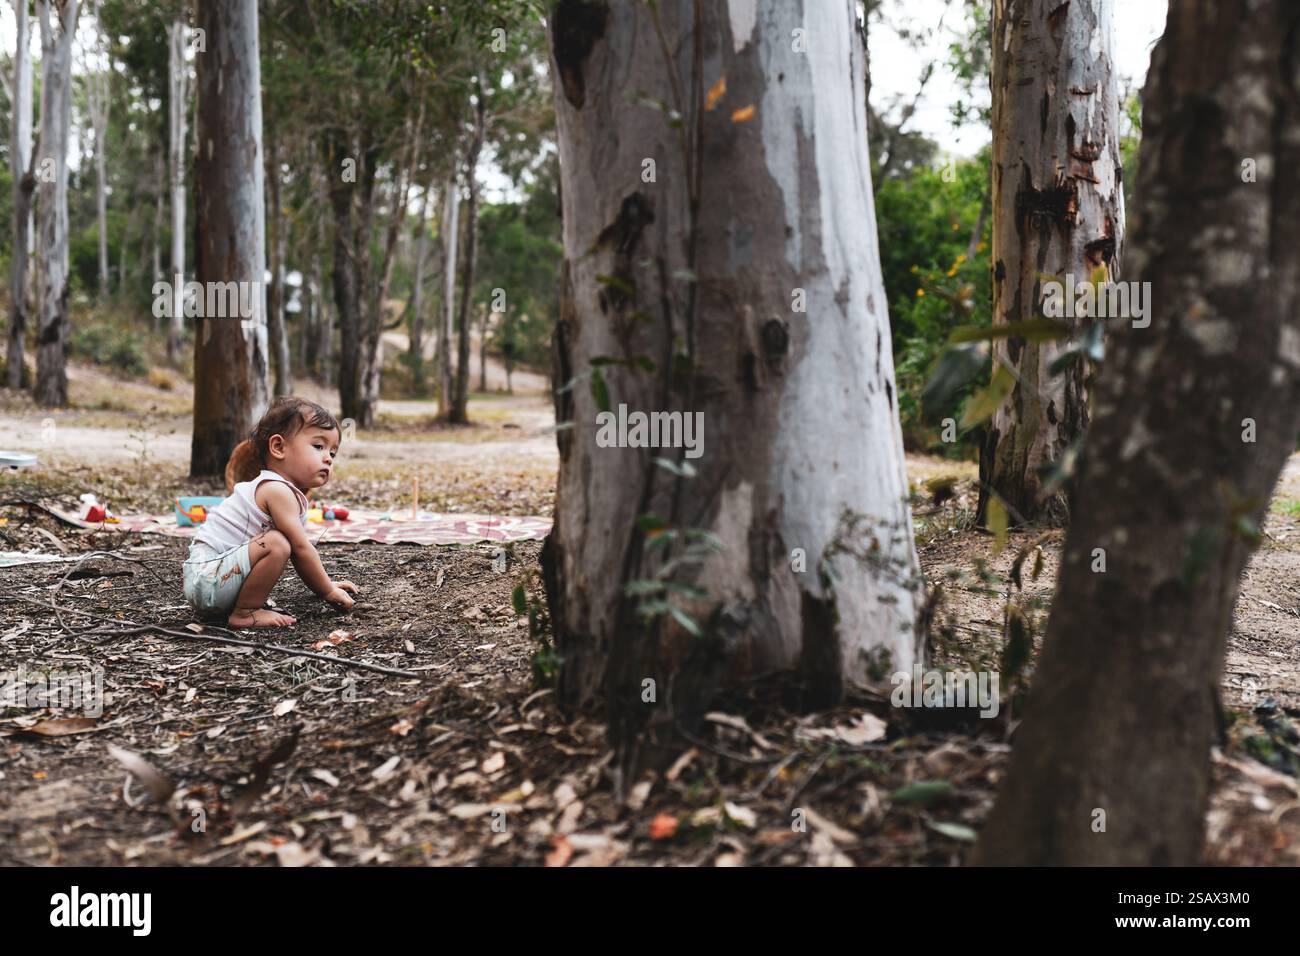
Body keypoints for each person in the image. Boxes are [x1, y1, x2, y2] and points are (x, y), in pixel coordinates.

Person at [182, 397, 360, 628]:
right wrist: (327, 590)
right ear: (278, 447)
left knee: (279, 543)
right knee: (277, 543)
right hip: (207, 578)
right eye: (318, 446)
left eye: (332, 453)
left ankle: (242, 607)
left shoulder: (286, 492)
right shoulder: (276, 489)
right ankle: (244, 613)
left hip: (215, 579)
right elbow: (301, 548)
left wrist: (325, 585)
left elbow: (299, 554)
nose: (327, 458)